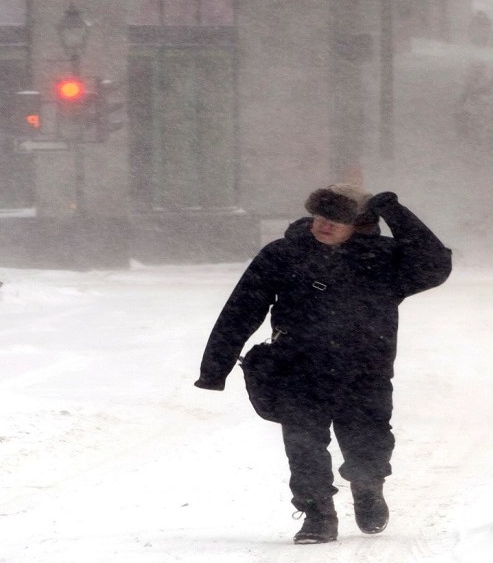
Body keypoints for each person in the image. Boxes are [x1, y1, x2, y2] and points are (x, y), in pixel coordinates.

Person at [193, 184, 453, 545]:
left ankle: (367, 488)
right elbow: (241, 310)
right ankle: (318, 515)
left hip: (365, 370)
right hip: (296, 368)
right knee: (303, 445)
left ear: (358, 224)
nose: (324, 224)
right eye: (319, 216)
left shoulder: (383, 258)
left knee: (368, 441)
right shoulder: (284, 255)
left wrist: (394, 211)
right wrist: (214, 368)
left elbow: (435, 265)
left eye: (336, 219)